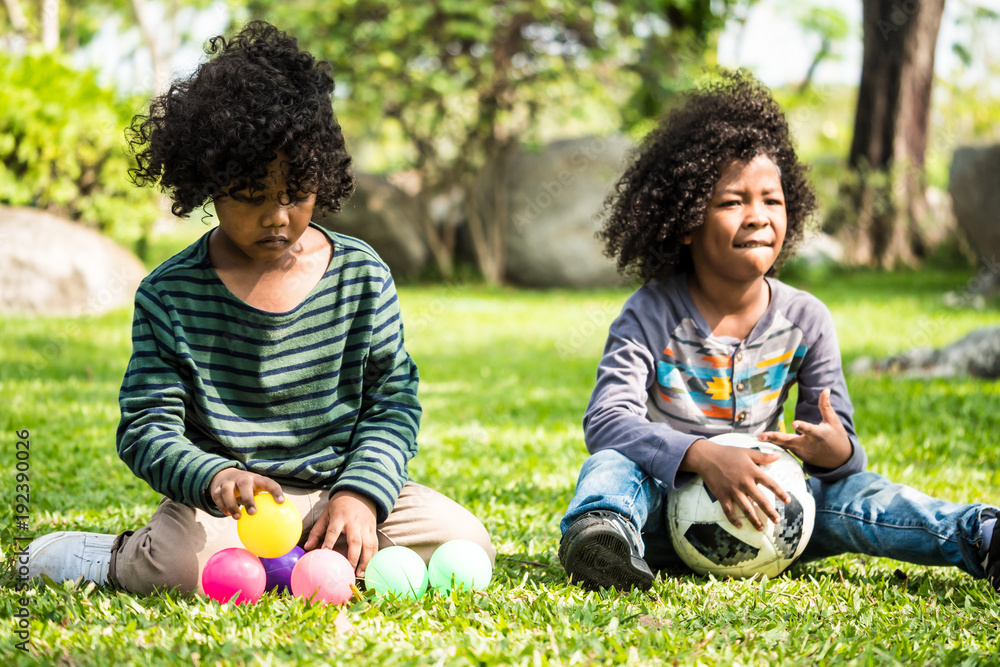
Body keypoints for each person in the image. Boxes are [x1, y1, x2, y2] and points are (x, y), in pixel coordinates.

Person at [27, 20, 493, 594]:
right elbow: (148, 425)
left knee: (465, 541)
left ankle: (314, 551)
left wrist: (360, 494)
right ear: (208, 184)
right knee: (172, 568)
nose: (277, 217)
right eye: (251, 198)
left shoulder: (360, 275)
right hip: (232, 508)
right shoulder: (170, 295)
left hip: (336, 487)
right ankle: (113, 556)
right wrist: (215, 476)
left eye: (296, 194)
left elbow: (392, 404)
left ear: (322, 175)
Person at [558, 70, 1000, 592]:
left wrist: (831, 447)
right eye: (731, 202)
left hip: (773, 514)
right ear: (683, 221)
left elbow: (843, 457)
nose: (758, 216)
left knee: (863, 495)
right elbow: (607, 420)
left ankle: (982, 537)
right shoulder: (648, 314)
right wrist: (703, 456)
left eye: (772, 199)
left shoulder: (807, 318)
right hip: (663, 518)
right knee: (611, 465)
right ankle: (602, 538)